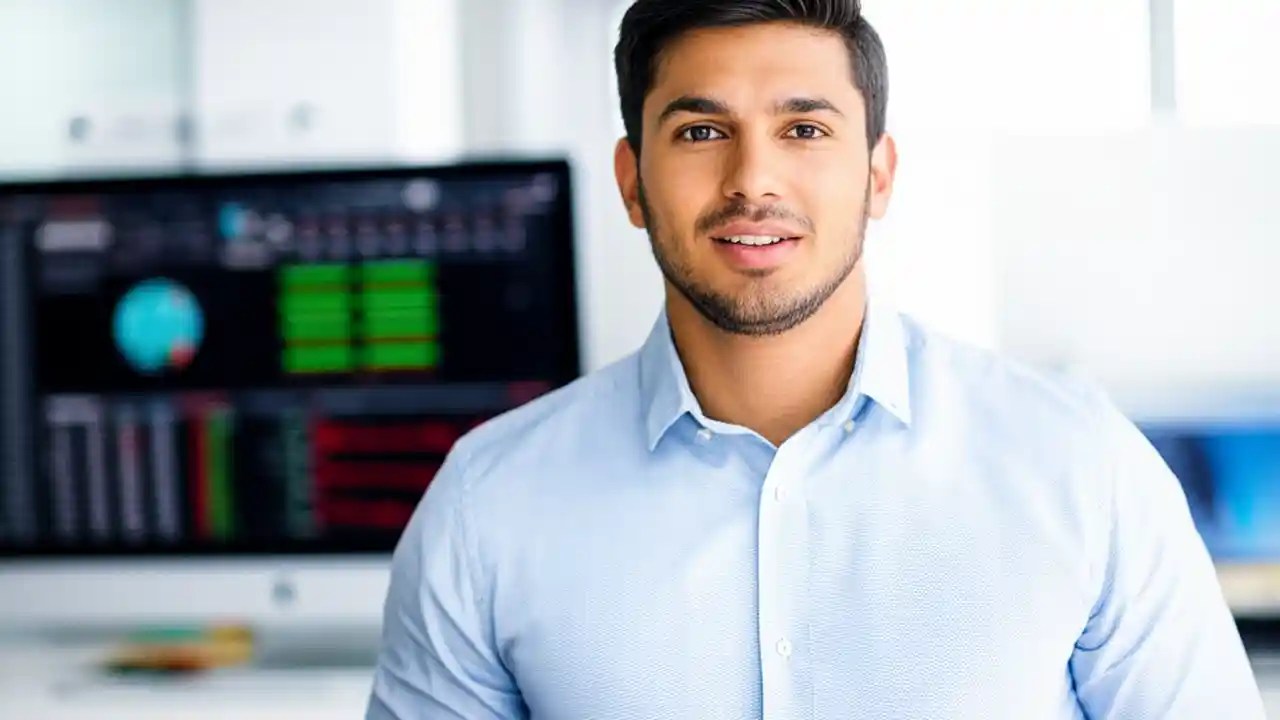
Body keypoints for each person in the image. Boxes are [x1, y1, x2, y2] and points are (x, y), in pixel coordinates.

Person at [367, 0, 1265, 717]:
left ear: (879, 174)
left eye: (804, 130)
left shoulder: (1080, 466)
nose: (753, 179)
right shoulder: (488, 505)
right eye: (701, 132)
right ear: (632, 181)